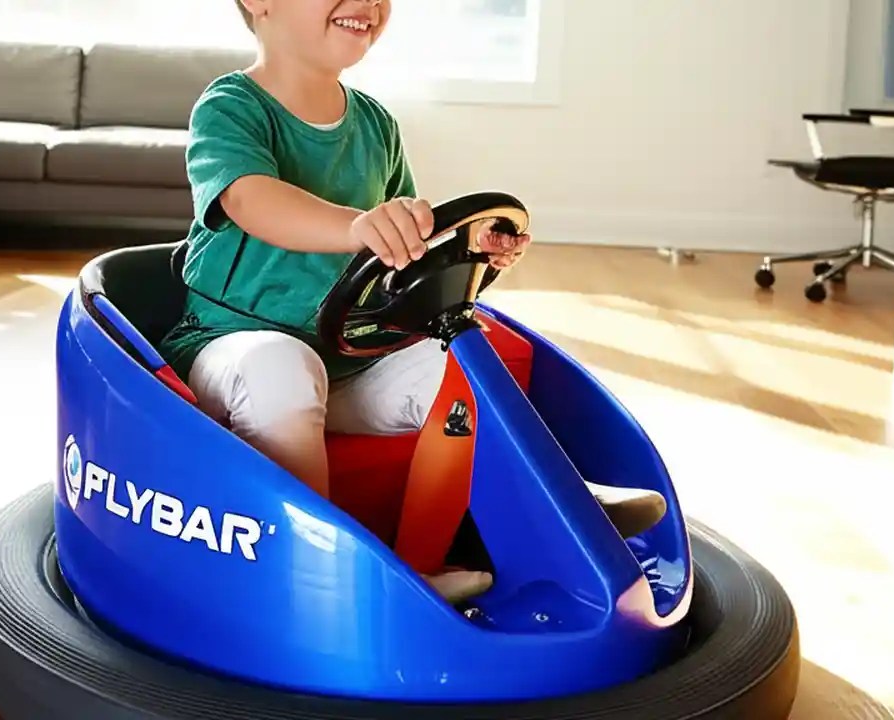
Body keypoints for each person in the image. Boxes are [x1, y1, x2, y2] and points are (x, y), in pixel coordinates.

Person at [159, 0, 668, 604]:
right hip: (231, 349)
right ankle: (313, 577)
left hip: (350, 359)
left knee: (462, 365)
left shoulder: (377, 126)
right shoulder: (232, 107)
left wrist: (466, 249)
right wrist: (358, 226)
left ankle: (459, 546)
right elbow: (250, 199)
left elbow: (403, 251)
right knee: (282, 369)